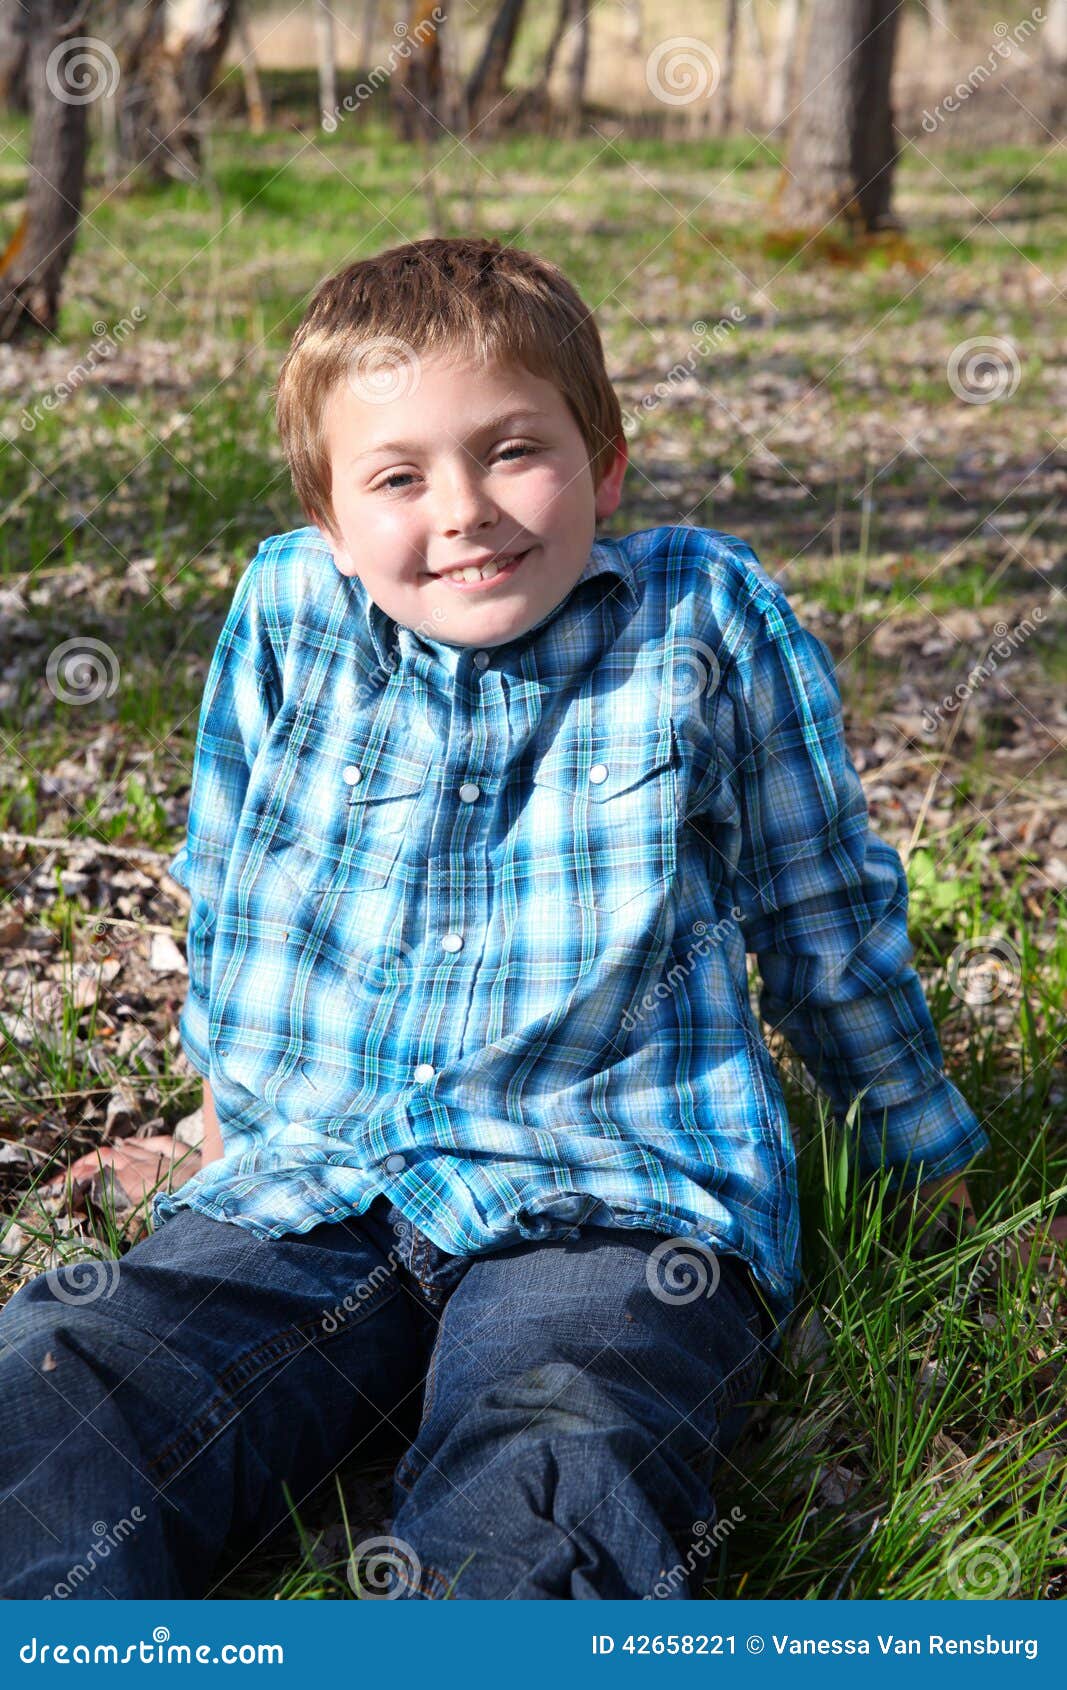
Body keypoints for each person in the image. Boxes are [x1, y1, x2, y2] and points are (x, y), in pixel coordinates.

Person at [0, 237, 991, 1601]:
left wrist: (912, 1140)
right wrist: (215, 1124)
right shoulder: (291, 609)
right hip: (320, 1174)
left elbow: (820, 905)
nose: (462, 510)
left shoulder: (700, 618)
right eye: (399, 477)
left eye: (513, 450)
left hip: (607, 1195)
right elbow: (234, 882)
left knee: (558, 1452)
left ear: (608, 464)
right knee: (75, 1389)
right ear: (332, 521)